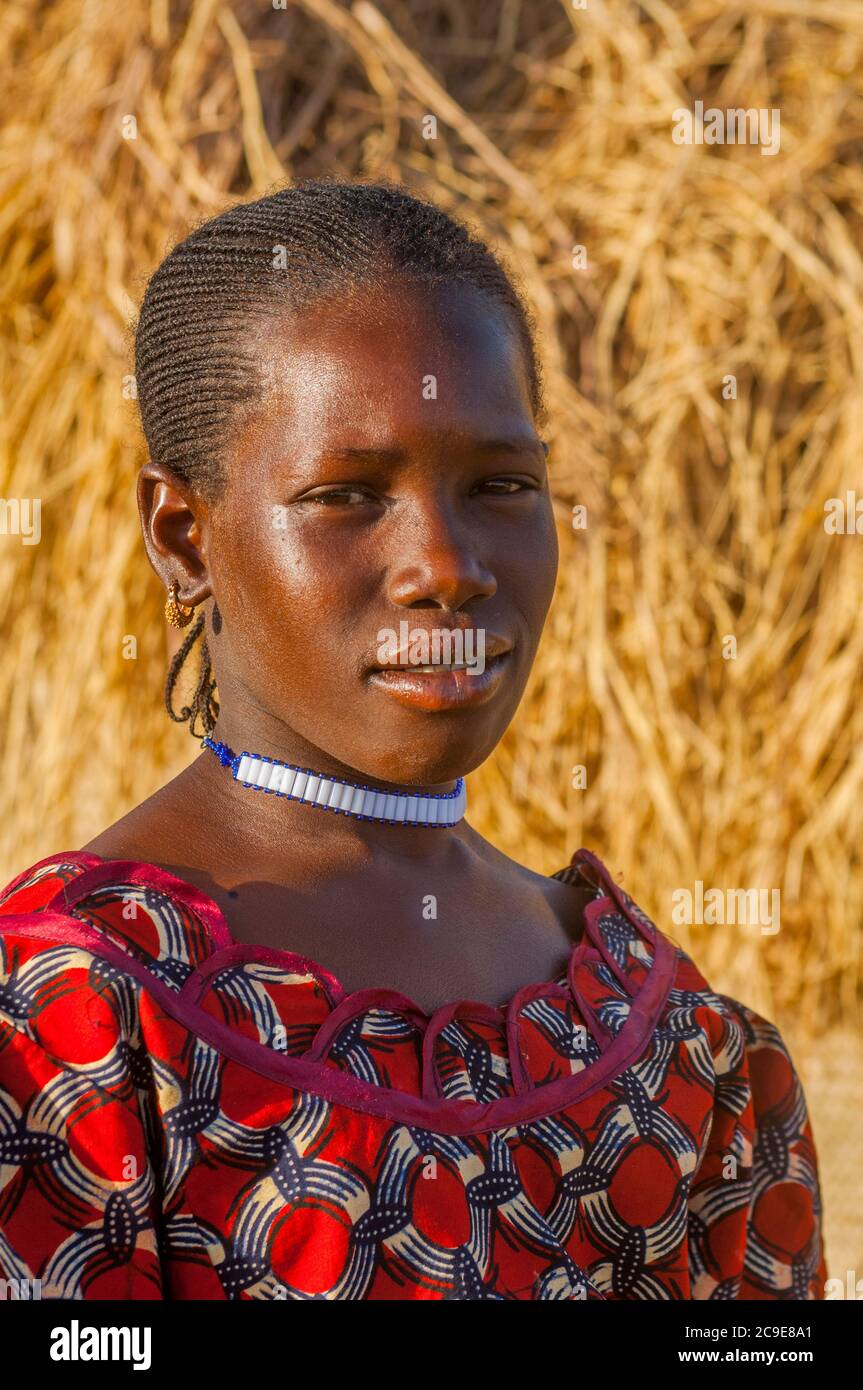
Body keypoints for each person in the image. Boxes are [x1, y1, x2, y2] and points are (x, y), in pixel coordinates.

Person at [0, 179, 826, 1300]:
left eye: (499, 485)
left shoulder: (676, 1042)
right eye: (345, 493)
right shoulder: (67, 1027)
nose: (445, 566)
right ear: (183, 536)